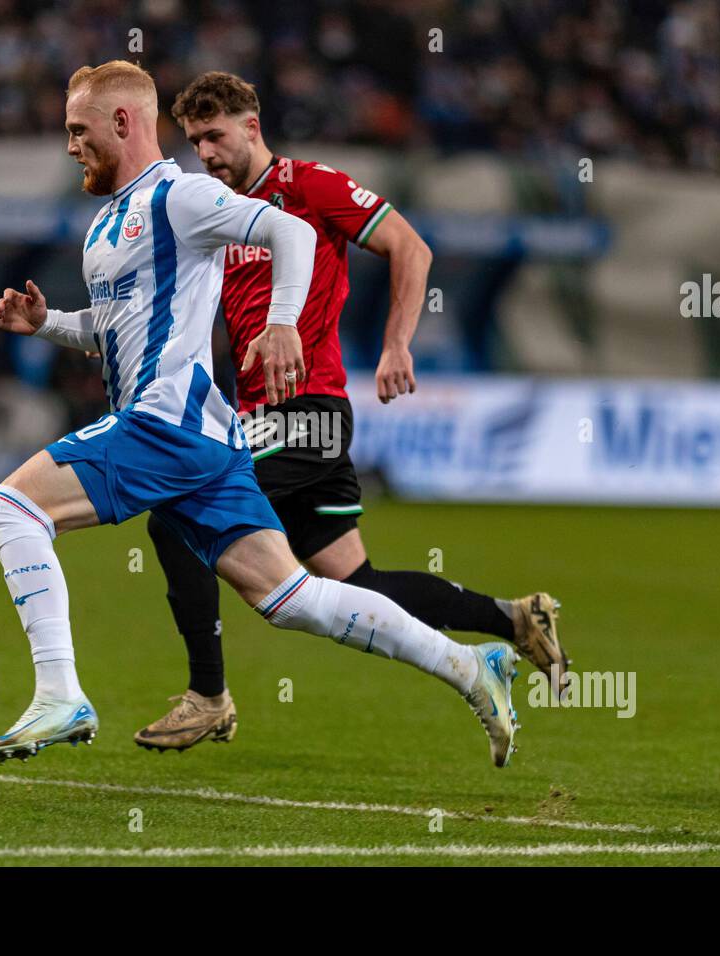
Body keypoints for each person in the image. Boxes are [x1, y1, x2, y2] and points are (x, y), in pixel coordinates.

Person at [0, 60, 523, 769]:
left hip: (165, 423)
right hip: (209, 439)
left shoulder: (183, 195)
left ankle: (61, 694)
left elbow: (291, 235)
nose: (70, 145)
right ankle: (472, 666)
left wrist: (281, 322)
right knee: (293, 596)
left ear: (123, 123)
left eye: (79, 130)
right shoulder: (107, 226)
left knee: (12, 509)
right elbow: (110, 333)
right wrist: (48, 322)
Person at [134, 71, 569, 752]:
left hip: (305, 410)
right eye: (194, 142)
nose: (207, 153)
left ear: (252, 125)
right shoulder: (217, 211)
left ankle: (207, 695)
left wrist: (397, 344)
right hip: (263, 413)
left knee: (178, 518)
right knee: (353, 580)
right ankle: (512, 618)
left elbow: (410, 246)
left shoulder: (310, 186)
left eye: (215, 136)